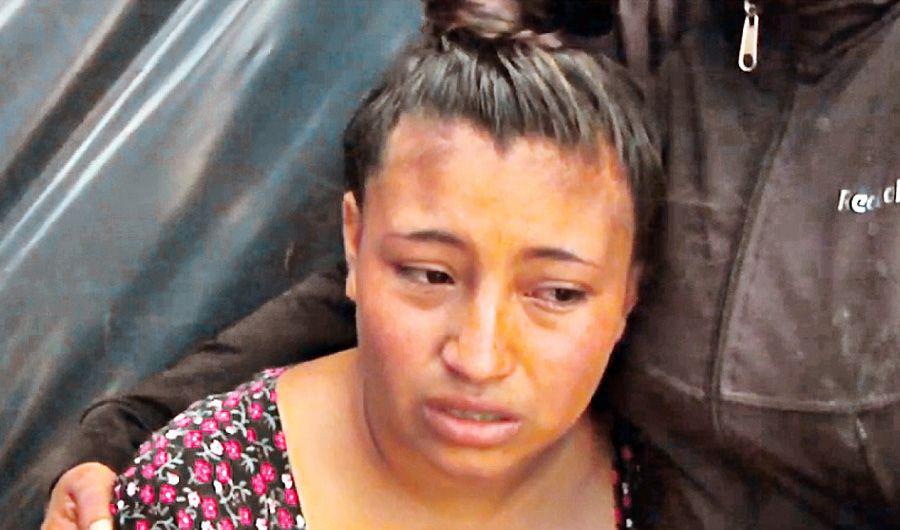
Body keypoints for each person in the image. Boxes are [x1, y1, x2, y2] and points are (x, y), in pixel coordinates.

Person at [42, 0, 900, 528]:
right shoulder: (637, 36)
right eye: (428, 278)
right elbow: (446, 234)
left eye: (559, 292)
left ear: (629, 294)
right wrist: (128, 431)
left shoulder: (623, 488)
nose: (480, 354)